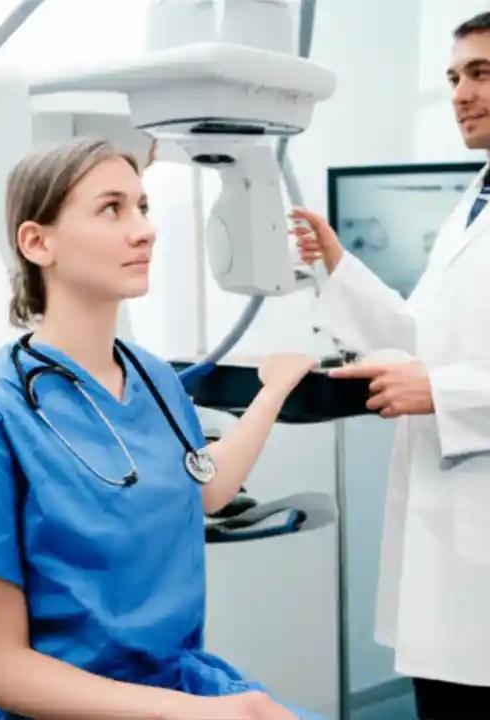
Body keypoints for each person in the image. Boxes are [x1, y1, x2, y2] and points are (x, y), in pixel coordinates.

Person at [0, 137, 321, 720]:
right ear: (38, 242)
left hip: (179, 688)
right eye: (112, 209)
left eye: (143, 207)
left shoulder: (151, 376)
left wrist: (274, 389)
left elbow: (207, 487)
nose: (144, 230)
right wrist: (197, 715)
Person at [291, 12, 490, 717]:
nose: (461, 93)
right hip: (452, 545)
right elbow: (421, 335)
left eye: (482, 73)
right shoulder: (476, 198)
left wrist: (443, 392)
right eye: (453, 77)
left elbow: (438, 371)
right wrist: (338, 266)